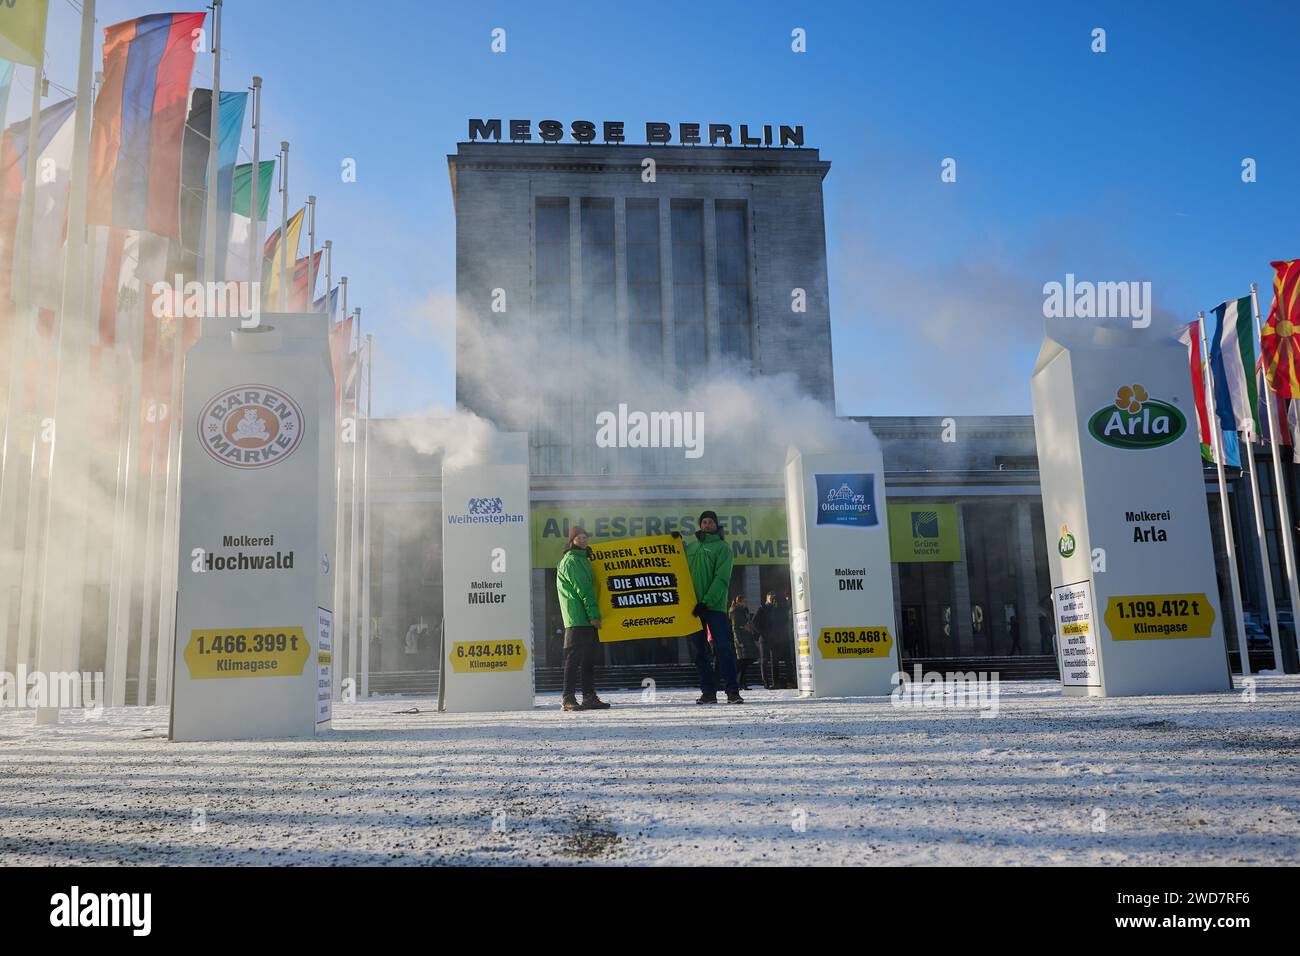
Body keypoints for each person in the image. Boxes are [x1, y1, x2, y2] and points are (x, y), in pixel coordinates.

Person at [685, 510, 743, 704]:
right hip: (694, 609)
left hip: (714, 607)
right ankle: (708, 692)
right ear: (700, 525)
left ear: (716, 525)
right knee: (699, 652)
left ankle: (732, 691)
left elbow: (722, 578)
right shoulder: (691, 547)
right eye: (704, 522)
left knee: (724, 649)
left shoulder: (723, 548)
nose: (707, 525)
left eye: (710, 522)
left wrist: (706, 602)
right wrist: (672, 543)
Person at [555, 526, 609, 712]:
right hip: (577, 618)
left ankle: (589, 696)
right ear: (572, 541)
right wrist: (594, 615)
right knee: (574, 658)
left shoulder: (583, 560)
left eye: (585, 537)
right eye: (579, 537)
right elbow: (585, 590)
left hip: (582, 618)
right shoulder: (571, 561)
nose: (584, 540)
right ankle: (567, 697)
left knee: (588, 658)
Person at [753, 591, 779, 689]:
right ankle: (766, 682)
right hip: (764, 638)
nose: (773, 599)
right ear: (767, 598)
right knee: (764, 661)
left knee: (774, 660)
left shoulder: (775, 608)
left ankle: (776, 682)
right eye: (771, 597)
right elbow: (754, 622)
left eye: (774, 597)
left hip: (774, 638)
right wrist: (762, 632)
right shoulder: (762, 608)